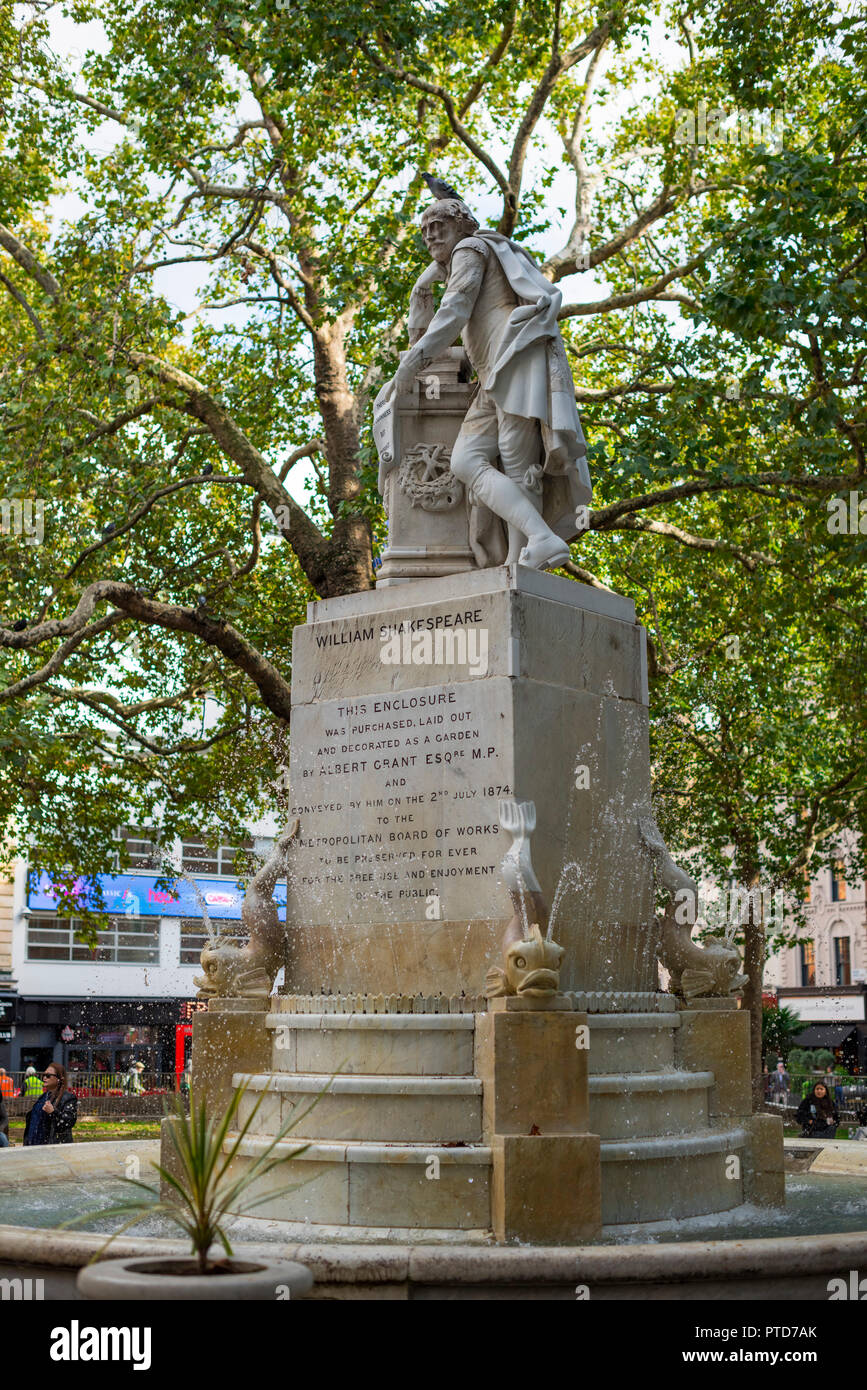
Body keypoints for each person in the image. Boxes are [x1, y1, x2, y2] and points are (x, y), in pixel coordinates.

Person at [375, 196, 591, 573]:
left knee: (518, 464)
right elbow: (433, 308)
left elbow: (455, 309)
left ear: (463, 225)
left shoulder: (471, 248)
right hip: (493, 376)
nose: (431, 234)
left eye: (440, 224)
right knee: (469, 460)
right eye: (425, 229)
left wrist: (414, 360)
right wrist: (423, 284)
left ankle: (521, 559)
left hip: (512, 359)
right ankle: (535, 543)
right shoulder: (465, 253)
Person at [23, 1063, 77, 1145]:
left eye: (48, 1076)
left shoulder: (68, 1098)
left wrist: (53, 1112)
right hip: (35, 1148)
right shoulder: (43, 1097)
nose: (44, 1078)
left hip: (53, 1150)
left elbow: (67, 1123)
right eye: (44, 1075)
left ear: (59, 1079)